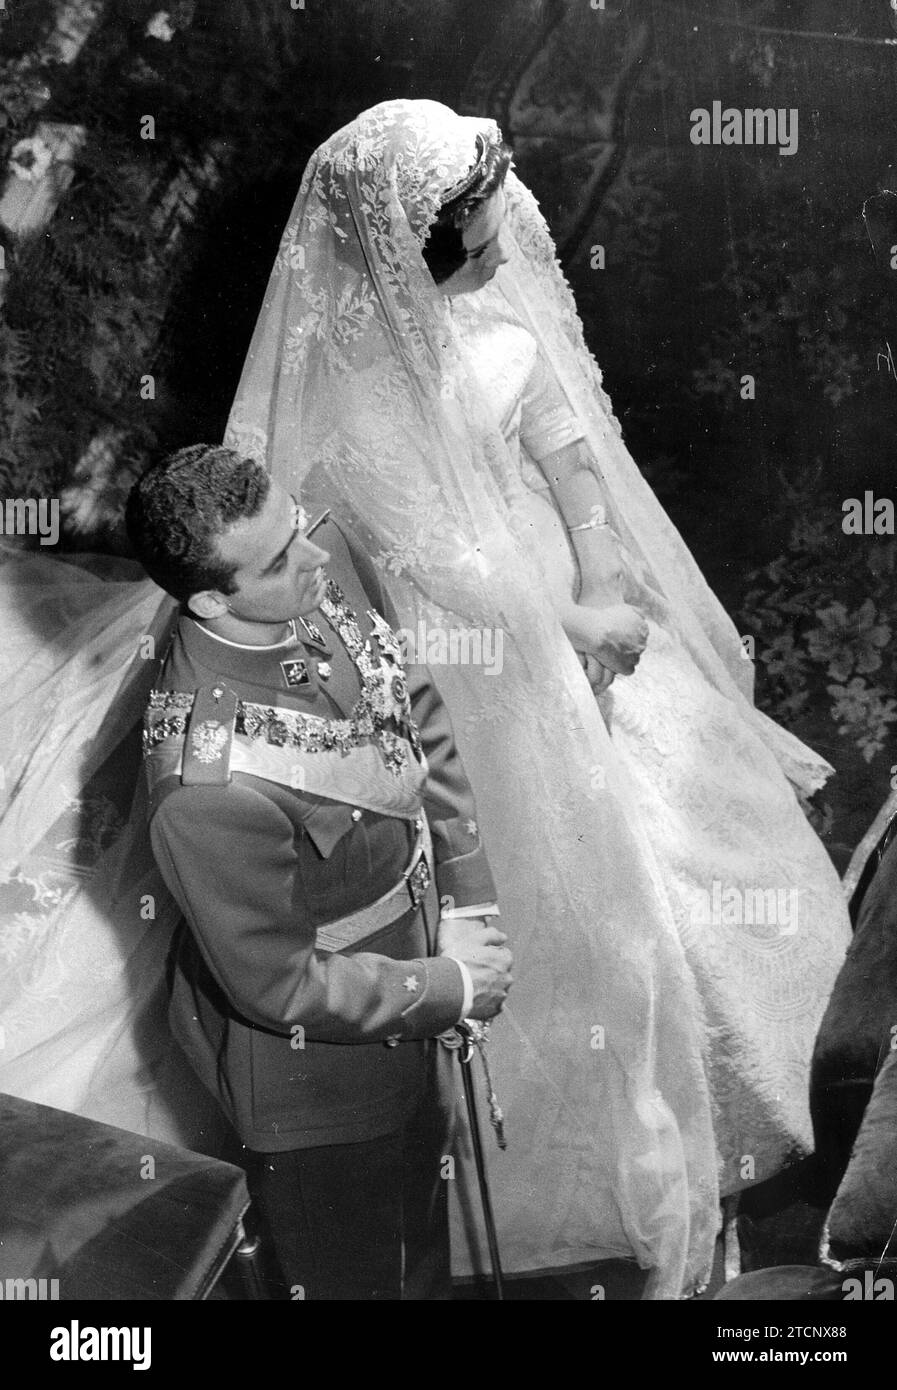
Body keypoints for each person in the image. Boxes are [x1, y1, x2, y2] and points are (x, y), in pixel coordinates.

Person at [222, 98, 853, 1297]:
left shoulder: (506, 335)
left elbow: (574, 476)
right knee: (580, 880)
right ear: (420, 240)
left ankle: (794, 1096)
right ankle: (603, 1161)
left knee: (710, 823)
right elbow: (434, 583)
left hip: (571, 607)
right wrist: (565, 633)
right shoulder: (353, 403)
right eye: (477, 213)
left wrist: (609, 594)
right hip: (481, 653)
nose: (506, 224)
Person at [124, 443, 512, 1299]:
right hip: (317, 1085)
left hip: (413, 980)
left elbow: (411, 711)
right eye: (277, 558)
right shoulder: (202, 785)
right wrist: (446, 987)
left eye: (294, 526)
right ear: (206, 598)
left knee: (426, 1266)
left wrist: (468, 907)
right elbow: (280, 988)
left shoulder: (304, 564)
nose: (312, 556)